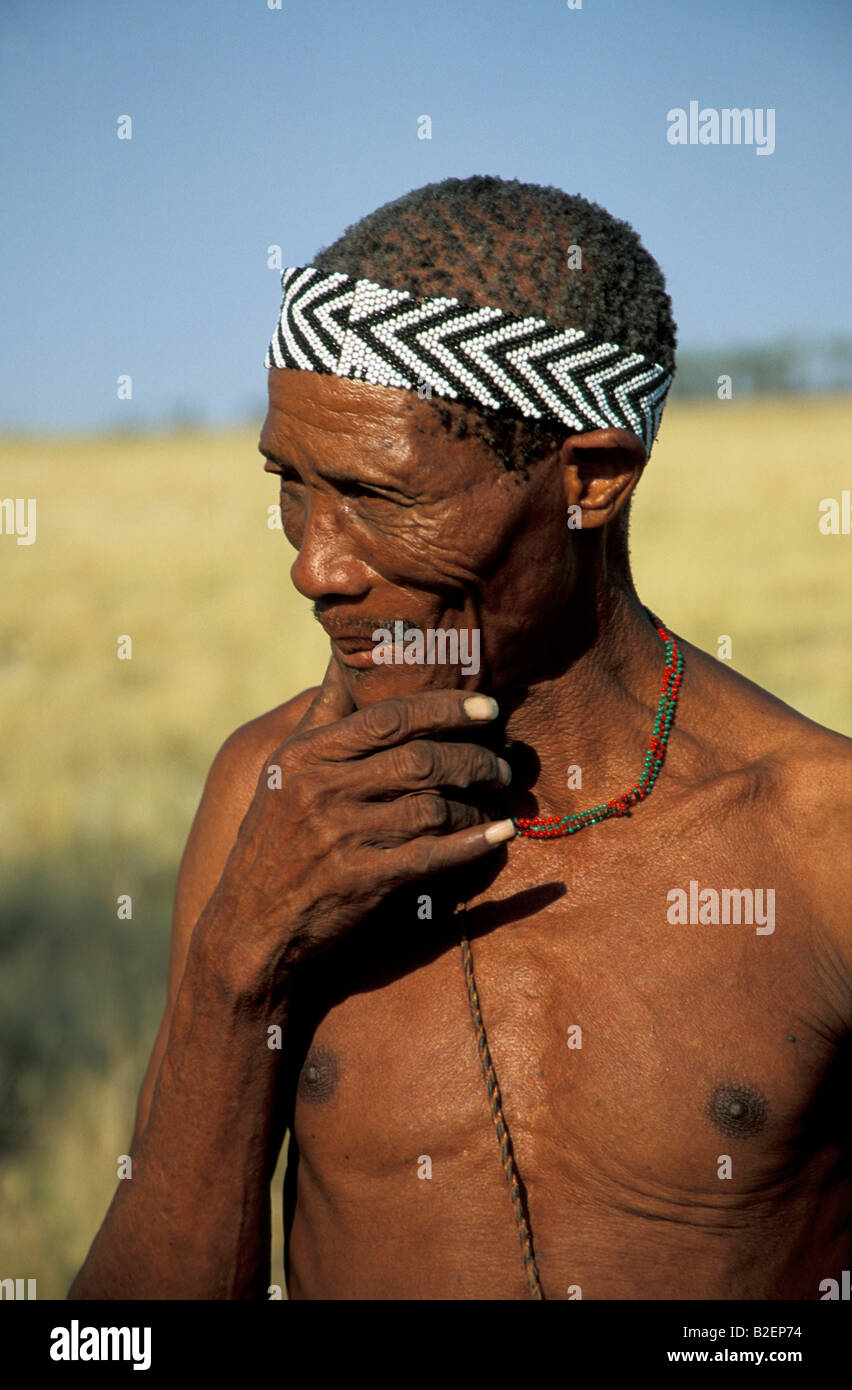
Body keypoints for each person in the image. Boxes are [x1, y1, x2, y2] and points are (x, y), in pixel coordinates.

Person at [69, 176, 851, 1300]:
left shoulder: (819, 839)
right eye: (292, 487)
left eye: (379, 499)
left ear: (591, 480)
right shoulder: (269, 792)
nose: (314, 565)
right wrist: (240, 969)